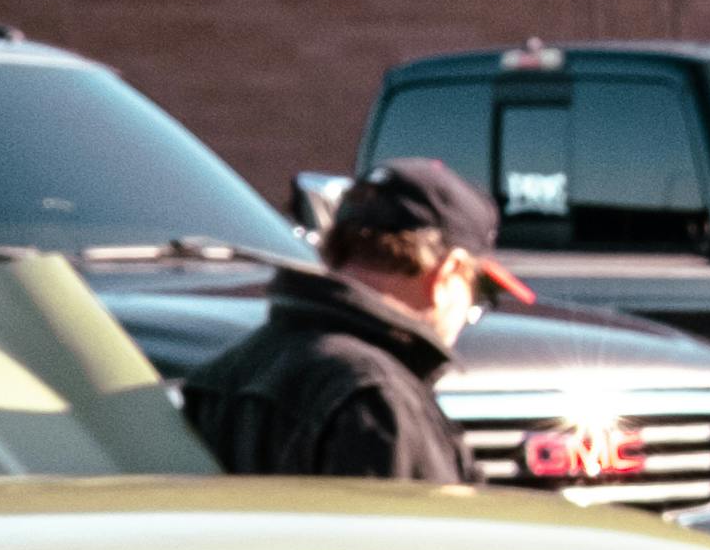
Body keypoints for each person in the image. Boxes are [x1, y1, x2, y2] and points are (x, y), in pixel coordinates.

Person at [174, 158, 502, 488]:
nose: (472, 310)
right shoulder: (379, 399)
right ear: (448, 273)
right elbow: (422, 536)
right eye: (480, 290)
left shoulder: (222, 375)